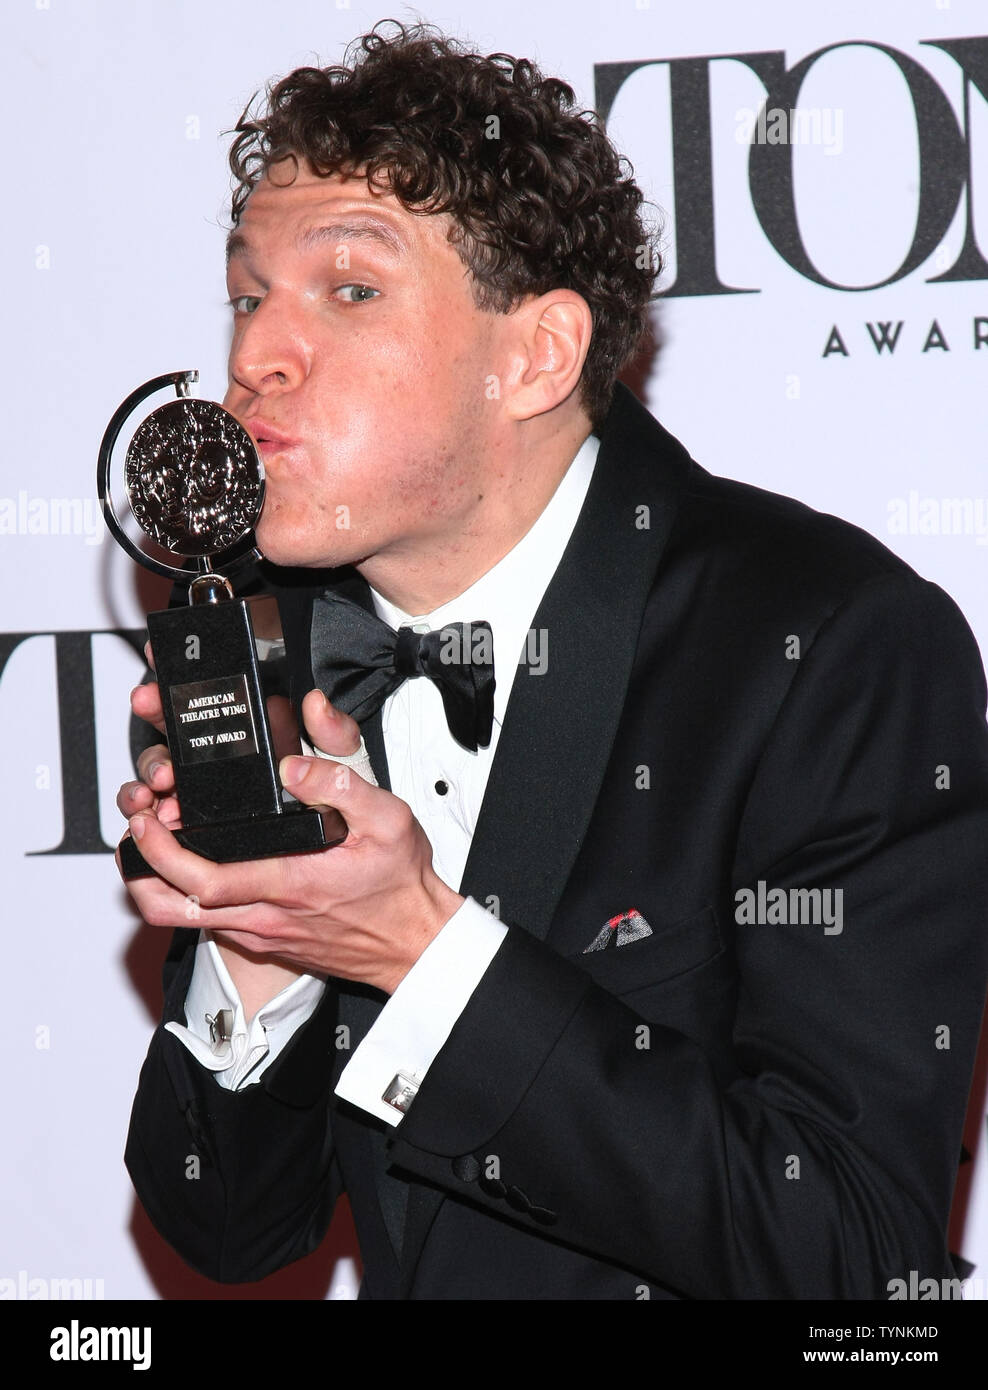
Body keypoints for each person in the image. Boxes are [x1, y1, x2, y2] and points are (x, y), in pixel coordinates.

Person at [120, 21, 988, 1300]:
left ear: (535, 355)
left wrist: (421, 952)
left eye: (348, 289)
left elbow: (855, 1262)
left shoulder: (831, 647)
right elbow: (230, 1233)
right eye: (250, 294)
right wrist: (265, 938)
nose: (255, 356)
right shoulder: (285, 659)